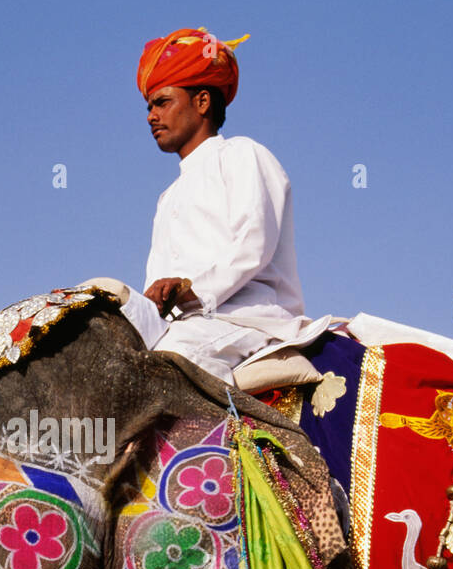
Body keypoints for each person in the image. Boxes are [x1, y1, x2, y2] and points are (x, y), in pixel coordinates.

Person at [117, 28, 329, 385]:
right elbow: (156, 283)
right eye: (149, 106)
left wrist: (189, 289)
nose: (152, 115)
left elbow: (253, 246)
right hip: (185, 326)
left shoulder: (243, 155)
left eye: (163, 102)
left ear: (202, 102)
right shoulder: (167, 198)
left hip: (246, 318)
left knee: (170, 370)